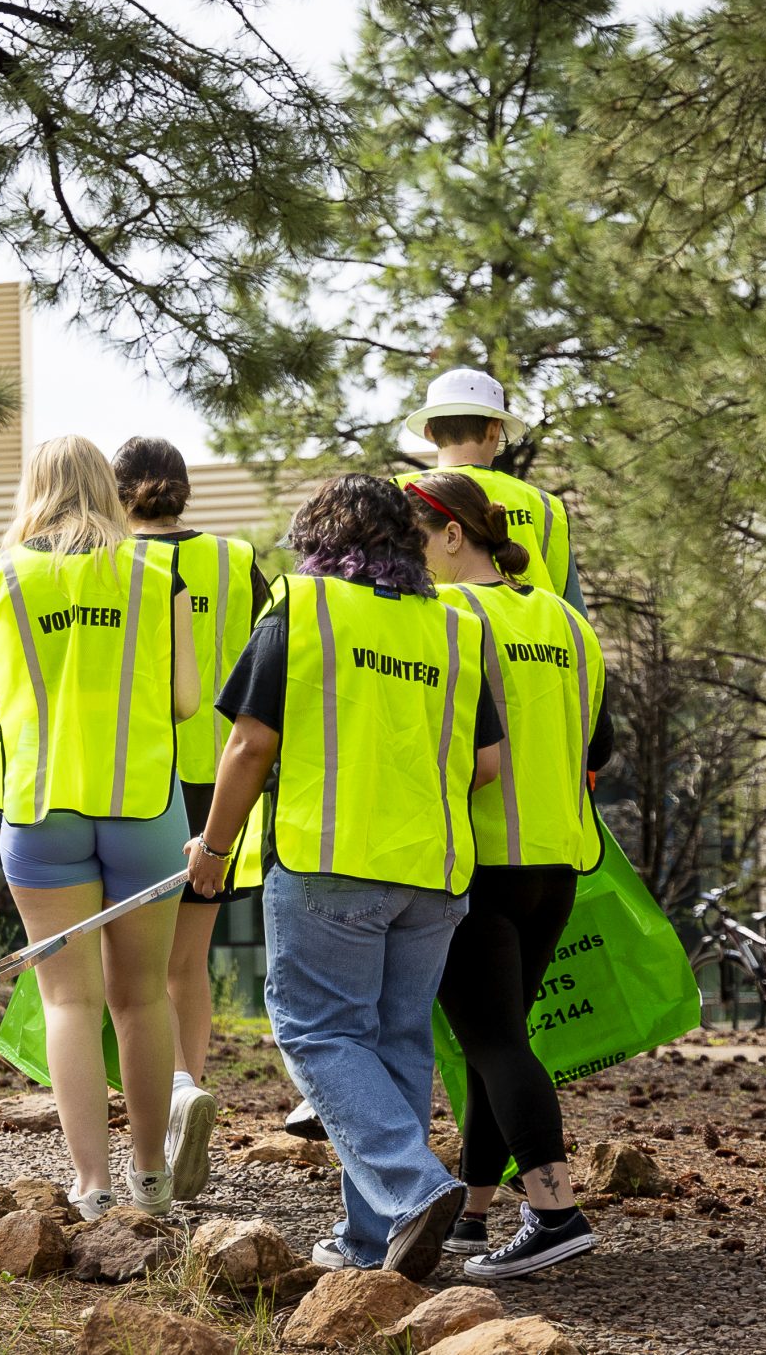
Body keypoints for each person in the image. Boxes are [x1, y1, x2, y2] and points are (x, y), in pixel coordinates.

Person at [185, 474, 503, 1280]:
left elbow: (250, 745)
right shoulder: (457, 626)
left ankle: (415, 1187)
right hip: (432, 869)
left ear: (318, 540)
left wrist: (214, 848)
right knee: (397, 1043)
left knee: (318, 1031)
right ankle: (374, 1239)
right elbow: (486, 765)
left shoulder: (304, 606)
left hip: (332, 861)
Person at [0, 435, 199, 1220]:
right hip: (143, 803)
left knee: (68, 1001)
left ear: (33, 488)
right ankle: (151, 1176)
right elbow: (187, 701)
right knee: (143, 996)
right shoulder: (158, 573)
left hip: (40, 806)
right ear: (107, 488)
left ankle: (91, 1183)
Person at [406, 471, 611, 1279]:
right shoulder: (567, 619)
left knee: (492, 1040)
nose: (411, 559)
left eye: (417, 540)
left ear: (454, 534)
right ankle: (473, 1211)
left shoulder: (444, 614)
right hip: (556, 862)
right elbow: (600, 745)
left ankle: (556, 1212)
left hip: (479, 859)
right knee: (500, 1039)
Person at [109, 436, 269, 1201]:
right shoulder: (238, 561)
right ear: (184, 489)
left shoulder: (106, 563)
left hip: (136, 782)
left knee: (127, 971)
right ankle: (184, 1092)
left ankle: (157, 1108)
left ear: (119, 495)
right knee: (185, 962)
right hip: (219, 782)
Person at [392, 367, 585, 613]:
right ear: (495, 428)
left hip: (432, 634)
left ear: (429, 431)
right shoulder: (544, 504)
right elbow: (574, 610)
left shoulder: (395, 494)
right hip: (533, 634)